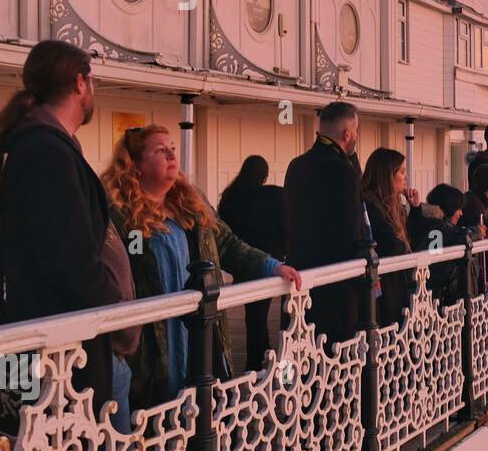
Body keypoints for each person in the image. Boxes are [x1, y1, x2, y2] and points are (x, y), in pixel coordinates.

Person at [0, 39, 138, 416]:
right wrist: (121, 319)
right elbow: (72, 262)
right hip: (65, 360)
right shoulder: (46, 153)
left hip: (68, 350)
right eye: (92, 81)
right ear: (80, 83)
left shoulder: (46, 147)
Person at [103, 125, 301, 412]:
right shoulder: (121, 216)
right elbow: (119, 271)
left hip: (203, 335)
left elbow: (229, 246)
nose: (172, 154)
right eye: (160, 150)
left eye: (172, 147)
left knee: (204, 418)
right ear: (136, 166)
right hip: (154, 347)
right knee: (159, 427)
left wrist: (271, 266)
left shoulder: (190, 205)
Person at [285, 102, 370, 346]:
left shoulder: (296, 165)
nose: (356, 136)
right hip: (335, 282)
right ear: (347, 134)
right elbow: (351, 228)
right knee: (335, 355)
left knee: (303, 350)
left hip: (300, 273)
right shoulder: (342, 170)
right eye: (356, 131)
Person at [217, 155, 288, 371]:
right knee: (265, 313)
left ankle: (254, 360)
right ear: (264, 175)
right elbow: (285, 225)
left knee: (253, 315)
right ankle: (265, 356)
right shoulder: (274, 195)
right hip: (266, 260)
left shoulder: (231, 196)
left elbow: (225, 230)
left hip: (242, 262)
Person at [360, 147, 424, 327]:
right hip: (383, 281)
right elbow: (392, 245)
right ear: (387, 174)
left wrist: (416, 208)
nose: (406, 177)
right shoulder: (371, 205)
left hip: (397, 279)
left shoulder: (396, 205)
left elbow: (411, 239)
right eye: (402, 172)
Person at [408, 183, 479, 305]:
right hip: (434, 299)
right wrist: (475, 233)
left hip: (422, 295)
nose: (461, 213)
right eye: (458, 208)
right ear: (449, 207)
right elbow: (455, 237)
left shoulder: (425, 222)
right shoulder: (437, 229)